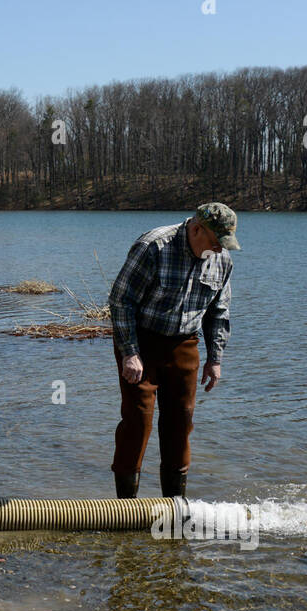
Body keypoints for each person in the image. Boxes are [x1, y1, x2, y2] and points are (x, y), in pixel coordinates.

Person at [107, 203, 238, 499]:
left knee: (181, 421)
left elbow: (219, 312)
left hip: (184, 343)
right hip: (141, 341)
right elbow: (120, 301)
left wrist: (215, 359)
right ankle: (126, 507)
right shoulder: (153, 246)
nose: (219, 250)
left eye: (224, 244)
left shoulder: (222, 260)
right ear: (196, 230)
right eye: (216, 242)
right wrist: (129, 352)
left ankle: (174, 504)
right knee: (138, 420)